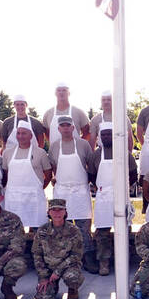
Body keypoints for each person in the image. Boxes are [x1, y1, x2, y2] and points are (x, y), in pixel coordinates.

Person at [48, 116, 99, 270]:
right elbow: (54, 167)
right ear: (58, 129)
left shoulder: (83, 145)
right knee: (63, 227)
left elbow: (90, 166)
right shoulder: (54, 146)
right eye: (62, 126)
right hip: (62, 191)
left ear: (73, 128)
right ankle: (66, 260)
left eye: (68, 125)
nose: (65, 128)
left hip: (80, 190)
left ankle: (88, 257)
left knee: (84, 227)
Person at [93, 123, 139, 277]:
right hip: (103, 197)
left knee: (123, 230)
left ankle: (124, 261)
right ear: (100, 136)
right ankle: (104, 262)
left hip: (121, 195)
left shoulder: (125, 153)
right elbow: (92, 175)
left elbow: (133, 174)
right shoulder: (96, 155)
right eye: (103, 134)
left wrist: (122, 187)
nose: (106, 137)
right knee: (102, 233)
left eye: (109, 134)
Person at [2, 122, 52, 236]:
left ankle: (37, 253)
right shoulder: (8, 153)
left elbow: (48, 174)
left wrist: (39, 187)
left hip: (34, 197)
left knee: (38, 232)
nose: (20, 136)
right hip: (14, 197)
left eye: (24, 133)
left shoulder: (40, 152)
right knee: (14, 230)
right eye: (18, 133)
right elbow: (5, 174)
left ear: (30, 135)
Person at [32, 197, 85, 299]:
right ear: (48, 212)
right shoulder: (42, 230)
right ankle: (53, 287)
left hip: (68, 267)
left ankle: (73, 289)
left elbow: (76, 255)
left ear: (65, 212)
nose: (57, 213)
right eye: (53, 210)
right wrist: (43, 277)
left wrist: (58, 271)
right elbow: (37, 254)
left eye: (60, 210)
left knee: (72, 278)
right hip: (48, 269)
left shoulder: (73, 230)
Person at [45, 82, 91, 147]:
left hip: (76, 152)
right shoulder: (48, 113)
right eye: (58, 90)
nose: (61, 93)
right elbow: (47, 133)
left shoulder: (78, 112)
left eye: (64, 90)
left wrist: (79, 146)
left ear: (69, 93)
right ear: (55, 93)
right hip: (55, 153)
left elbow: (87, 133)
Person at [89, 89, 133, 153]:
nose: (106, 102)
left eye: (109, 99)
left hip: (120, 153)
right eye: (103, 100)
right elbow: (92, 141)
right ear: (101, 102)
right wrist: (92, 159)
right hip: (102, 154)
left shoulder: (123, 118)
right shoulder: (95, 119)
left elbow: (129, 139)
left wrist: (129, 155)